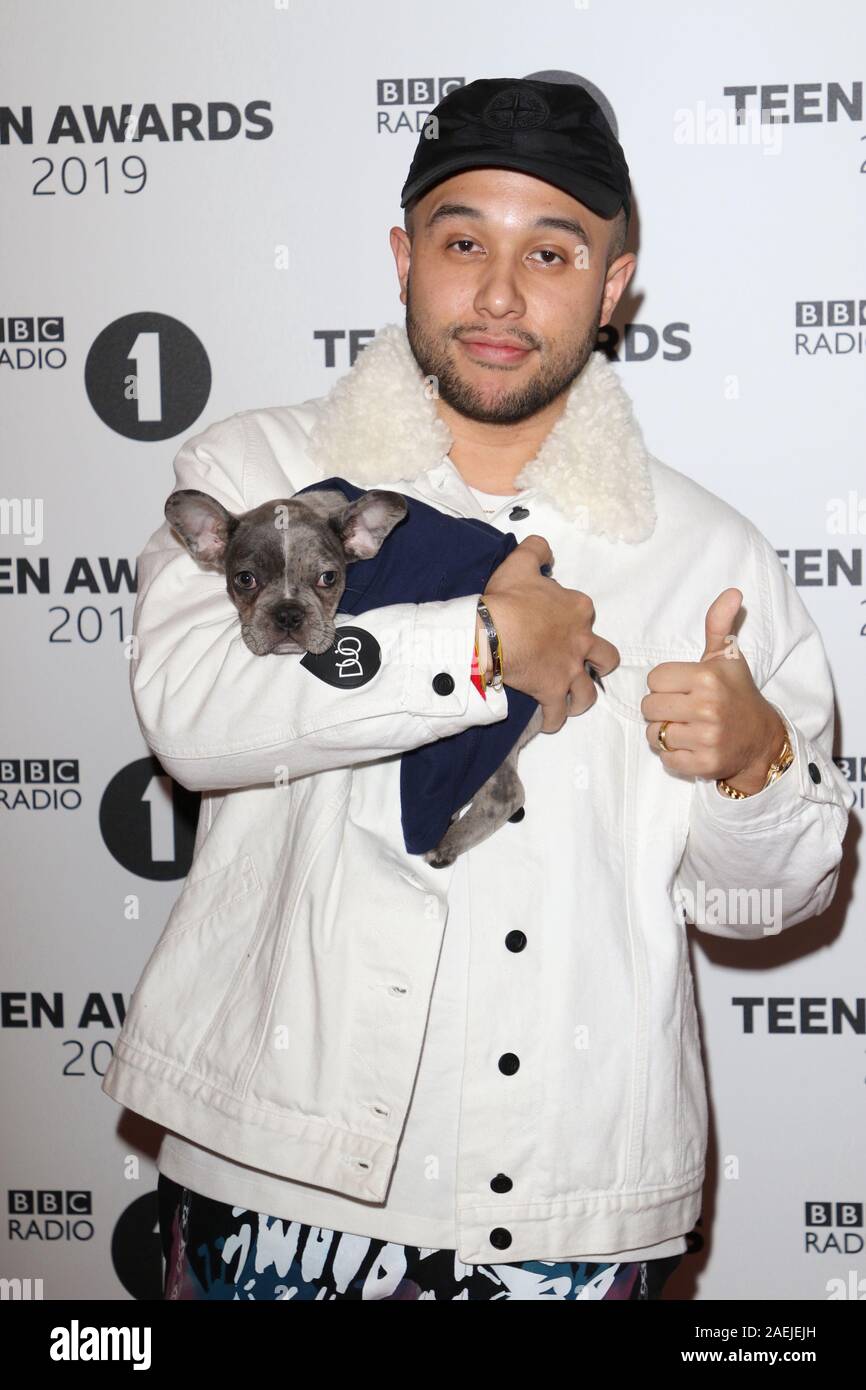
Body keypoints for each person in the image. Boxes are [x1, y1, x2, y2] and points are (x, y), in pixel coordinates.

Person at [102, 76, 853, 1301]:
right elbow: (195, 718)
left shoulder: (706, 552)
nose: (500, 294)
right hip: (276, 1183)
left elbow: (764, 900)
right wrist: (482, 643)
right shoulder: (257, 469)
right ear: (403, 257)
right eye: (463, 242)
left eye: (550, 252)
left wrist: (753, 761)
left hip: (576, 1195)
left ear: (610, 289)